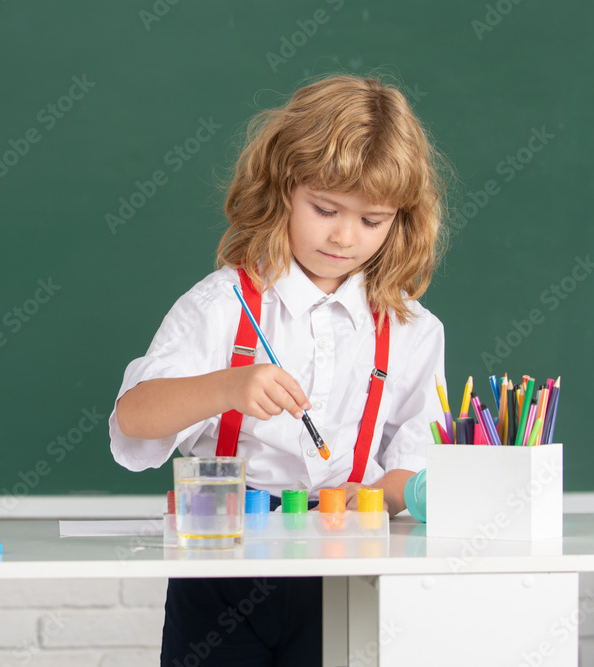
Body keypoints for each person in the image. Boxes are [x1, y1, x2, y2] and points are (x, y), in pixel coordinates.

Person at [109, 74, 449, 666]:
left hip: (352, 570)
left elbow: (416, 467)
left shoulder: (411, 329)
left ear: (402, 219)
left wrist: (373, 495)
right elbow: (134, 419)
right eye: (325, 209)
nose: (345, 236)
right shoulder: (223, 303)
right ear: (282, 188)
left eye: (372, 220)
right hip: (223, 566)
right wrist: (228, 387)